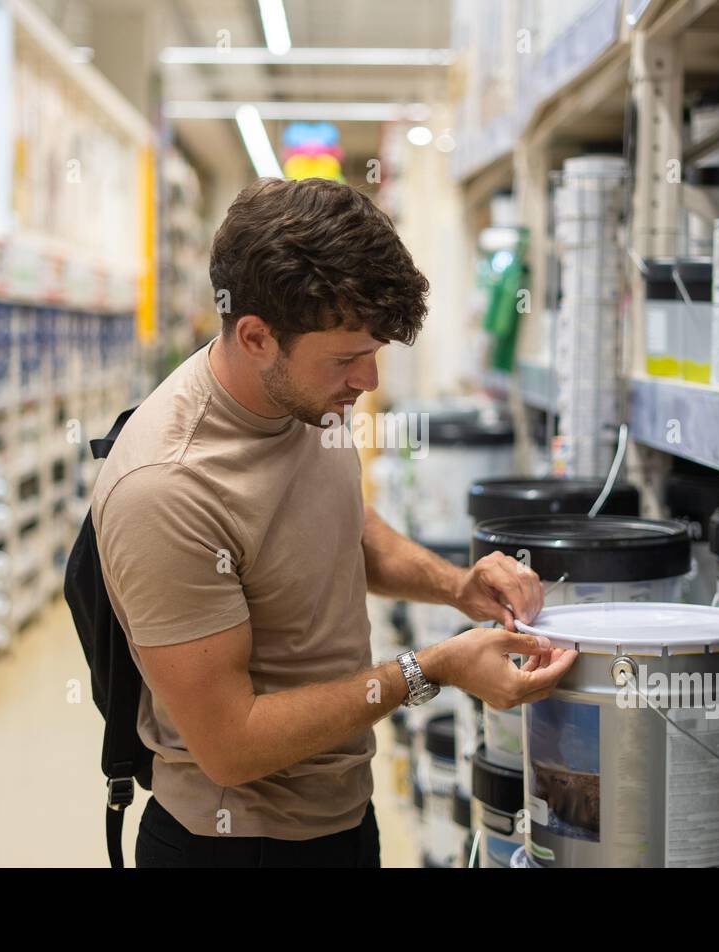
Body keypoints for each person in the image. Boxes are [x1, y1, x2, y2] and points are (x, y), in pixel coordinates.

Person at [91, 177, 576, 868]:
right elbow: (231, 746)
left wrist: (456, 587)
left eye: (374, 352)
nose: (369, 381)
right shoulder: (167, 487)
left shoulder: (304, 399)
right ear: (257, 336)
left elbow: (345, 524)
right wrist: (429, 668)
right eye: (348, 358)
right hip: (236, 845)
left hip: (341, 817)